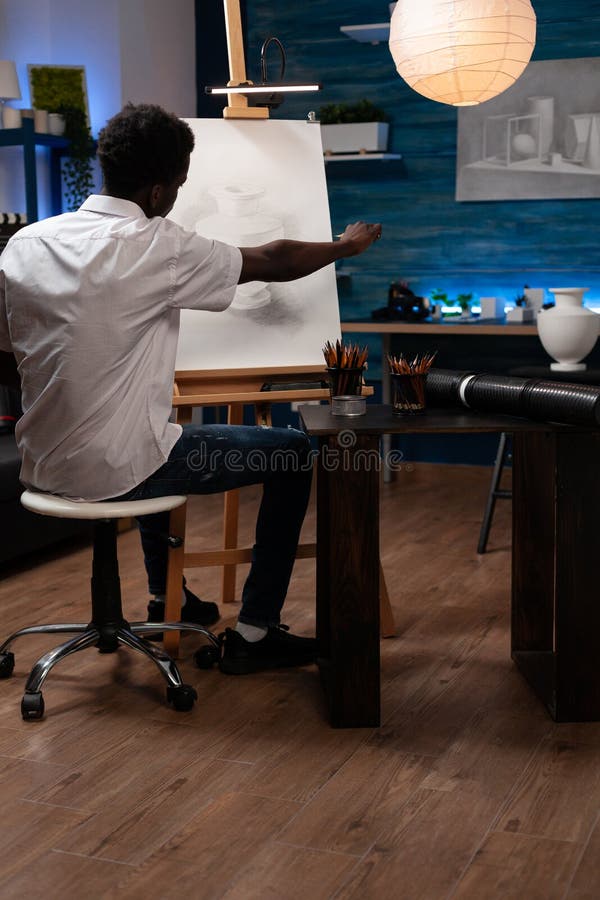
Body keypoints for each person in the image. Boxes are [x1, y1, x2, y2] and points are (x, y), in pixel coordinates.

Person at [0, 102, 382, 674]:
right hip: (120, 467)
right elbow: (272, 258)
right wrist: (344, 247)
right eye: (177, 186)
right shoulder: (157, 244)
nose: (176, 197)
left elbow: (11, 352)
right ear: (157, 192)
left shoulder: (27, 244)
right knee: (295, 452)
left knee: (153, 432)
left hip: (45, 463)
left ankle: (166, 598)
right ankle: (255, 631)